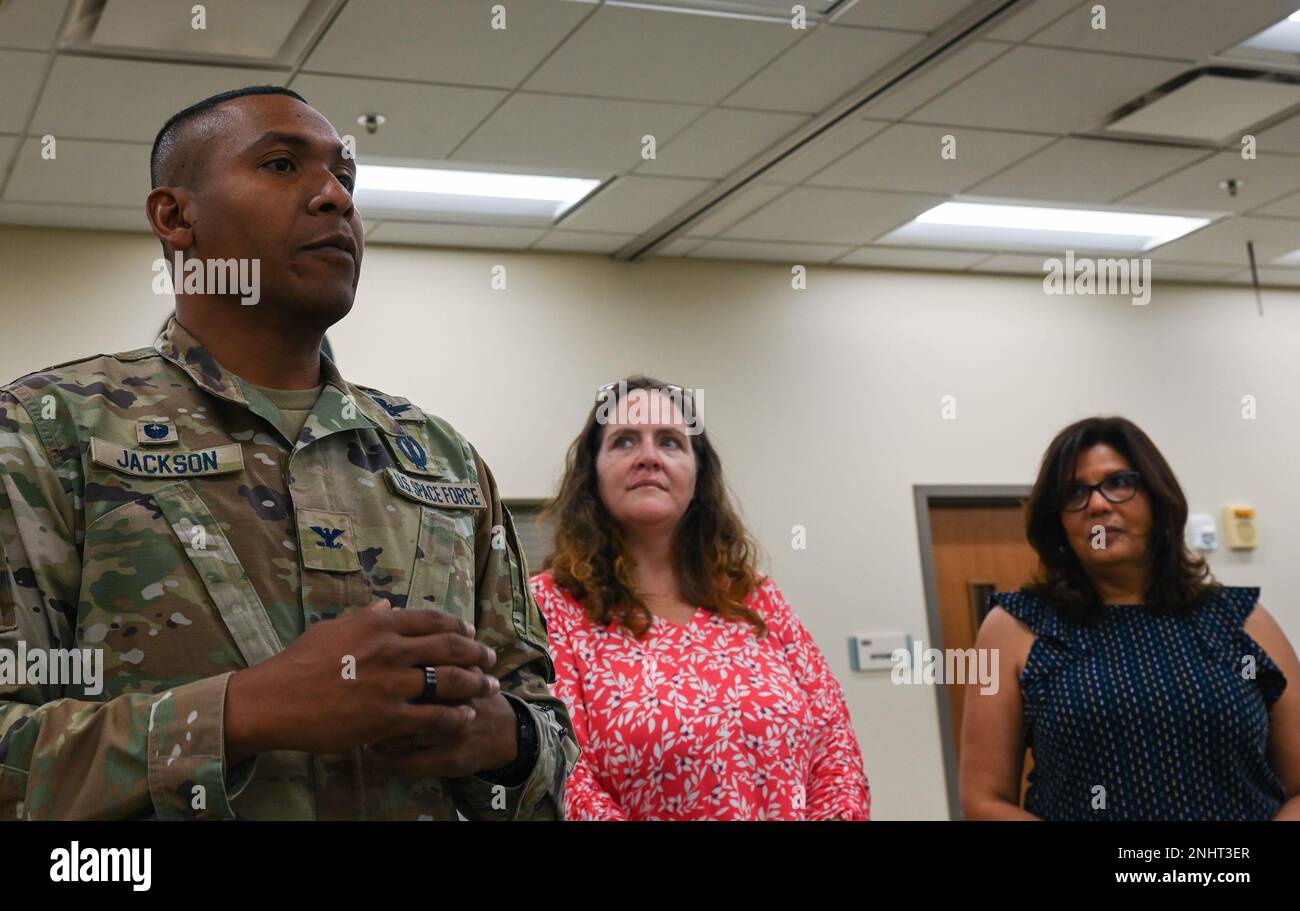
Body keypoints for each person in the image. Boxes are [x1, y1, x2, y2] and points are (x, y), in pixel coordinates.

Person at [0, 85, 577, 819]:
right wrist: (239, 713)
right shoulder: (47, 433)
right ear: (176, 217)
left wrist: (508, 742)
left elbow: (543, 738)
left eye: (347, 178)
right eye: (280, 165)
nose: (335, 196)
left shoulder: (441, 459)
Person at [529, 376, 870, 820]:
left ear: (698, 474)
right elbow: (564, 778)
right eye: (625, 441)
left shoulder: (754, 596)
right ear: (592, 472)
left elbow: (836, 750)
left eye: (670, 442)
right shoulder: (552, 606)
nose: (648, 457)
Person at [960, 416, 1300, 820]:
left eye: (1119, 482)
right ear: (1059, 522)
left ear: (1158, 500)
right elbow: (984, 800)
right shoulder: (1014, 629)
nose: (1098, 504)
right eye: (1074, 493)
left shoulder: (1244, 621)